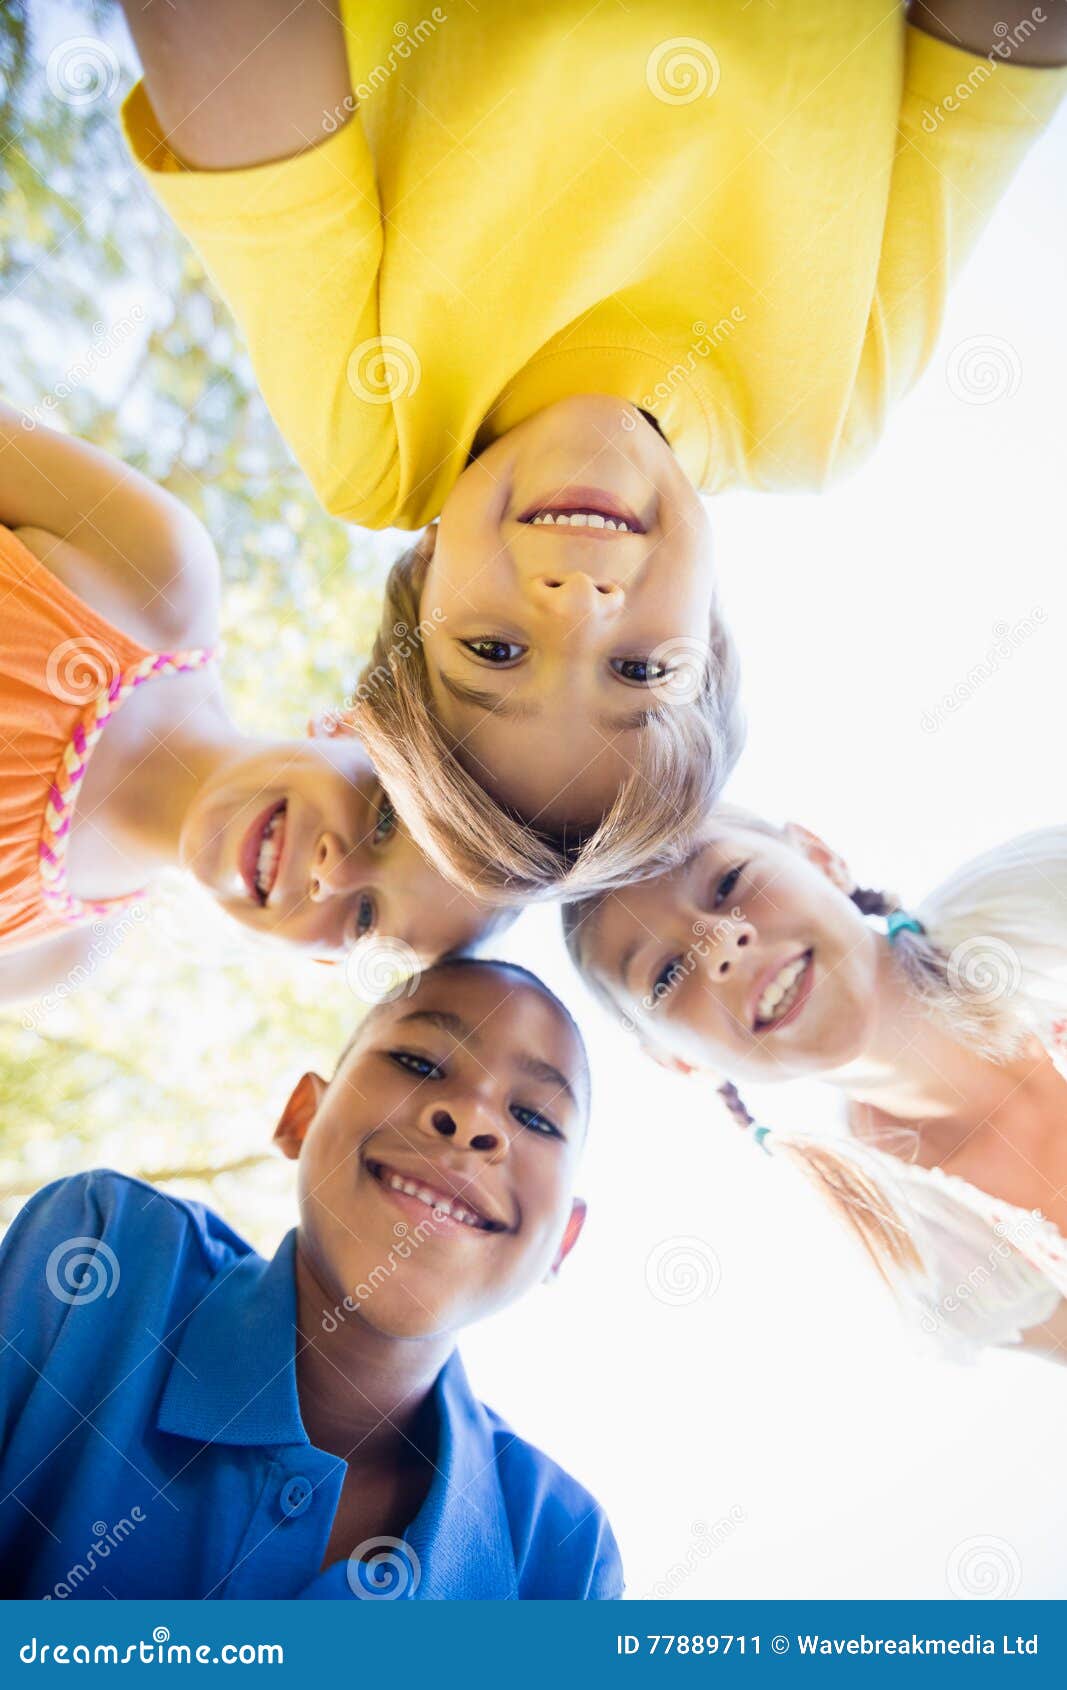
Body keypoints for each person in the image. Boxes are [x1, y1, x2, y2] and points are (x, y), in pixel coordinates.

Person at [116, 0, 1067, 897]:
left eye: (492, 649)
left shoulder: (378, 438)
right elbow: (980, 78)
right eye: (642, 671)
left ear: (424, 577)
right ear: (713, 636)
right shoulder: (817, 421)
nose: (578, 604)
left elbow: (231, 60)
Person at [0, 956, 622, 1599]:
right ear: (302, 1117)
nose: (471, 1118)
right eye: (418, 1064)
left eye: (538, 1119)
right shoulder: (108, 1256)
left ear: (565, 1241)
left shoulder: (565, 1559)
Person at [0, 404, 508, 1004]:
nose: (333, 874)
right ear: (351, 729)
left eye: (366, 919)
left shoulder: (46, 957)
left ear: (323, 960)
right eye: (384, 819)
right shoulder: (155, 570)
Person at [563, 812, 1067, 1357]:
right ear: (679, 1062)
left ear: (820, 857)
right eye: (666, 975)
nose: (721, 946)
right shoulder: (924, 1247)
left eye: (728, 883)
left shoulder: (1041, 899)